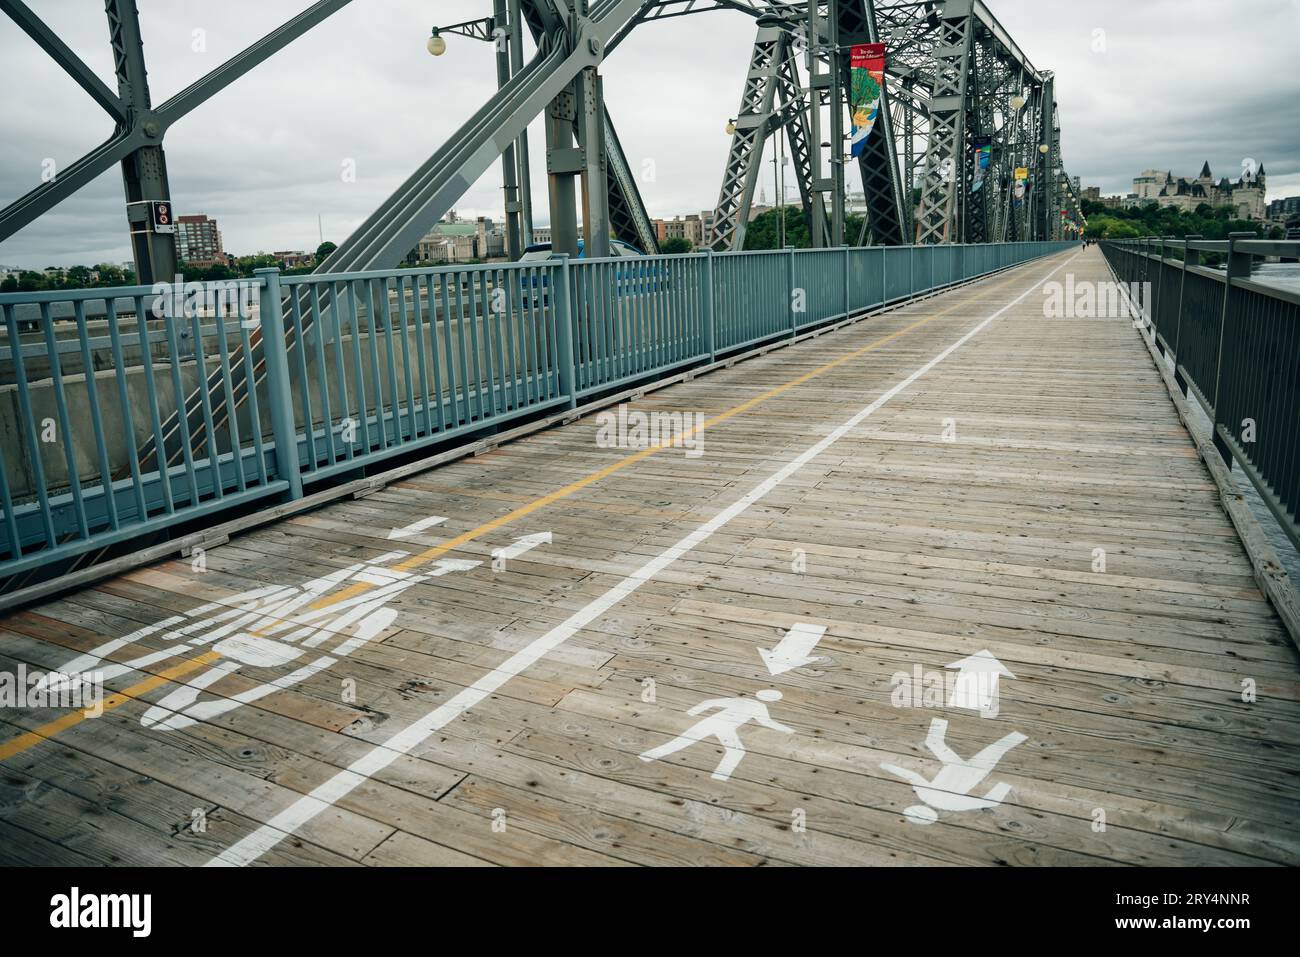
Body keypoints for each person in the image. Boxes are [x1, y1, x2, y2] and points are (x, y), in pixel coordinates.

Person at [881, 718, 1026, 824]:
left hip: (975, 771)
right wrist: (887, 766)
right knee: (934, 742)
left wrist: (1005, 785)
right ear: (916, 806)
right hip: (956, 766)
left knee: (998, 748)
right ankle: (942, 715)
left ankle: (1024, 729)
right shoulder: (925, 795)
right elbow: (912, 775)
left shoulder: (954, 806)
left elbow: (991, 803)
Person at [640, 689, 794, 781]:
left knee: (682, 742)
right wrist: (690, 713)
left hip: (721, 725)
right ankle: (720, 776)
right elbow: (766, 722)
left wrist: (692, 713)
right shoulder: (755, 705)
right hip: (718, 724)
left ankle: (720, 776)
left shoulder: (751, 703)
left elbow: (710, 701)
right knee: (683, 742)